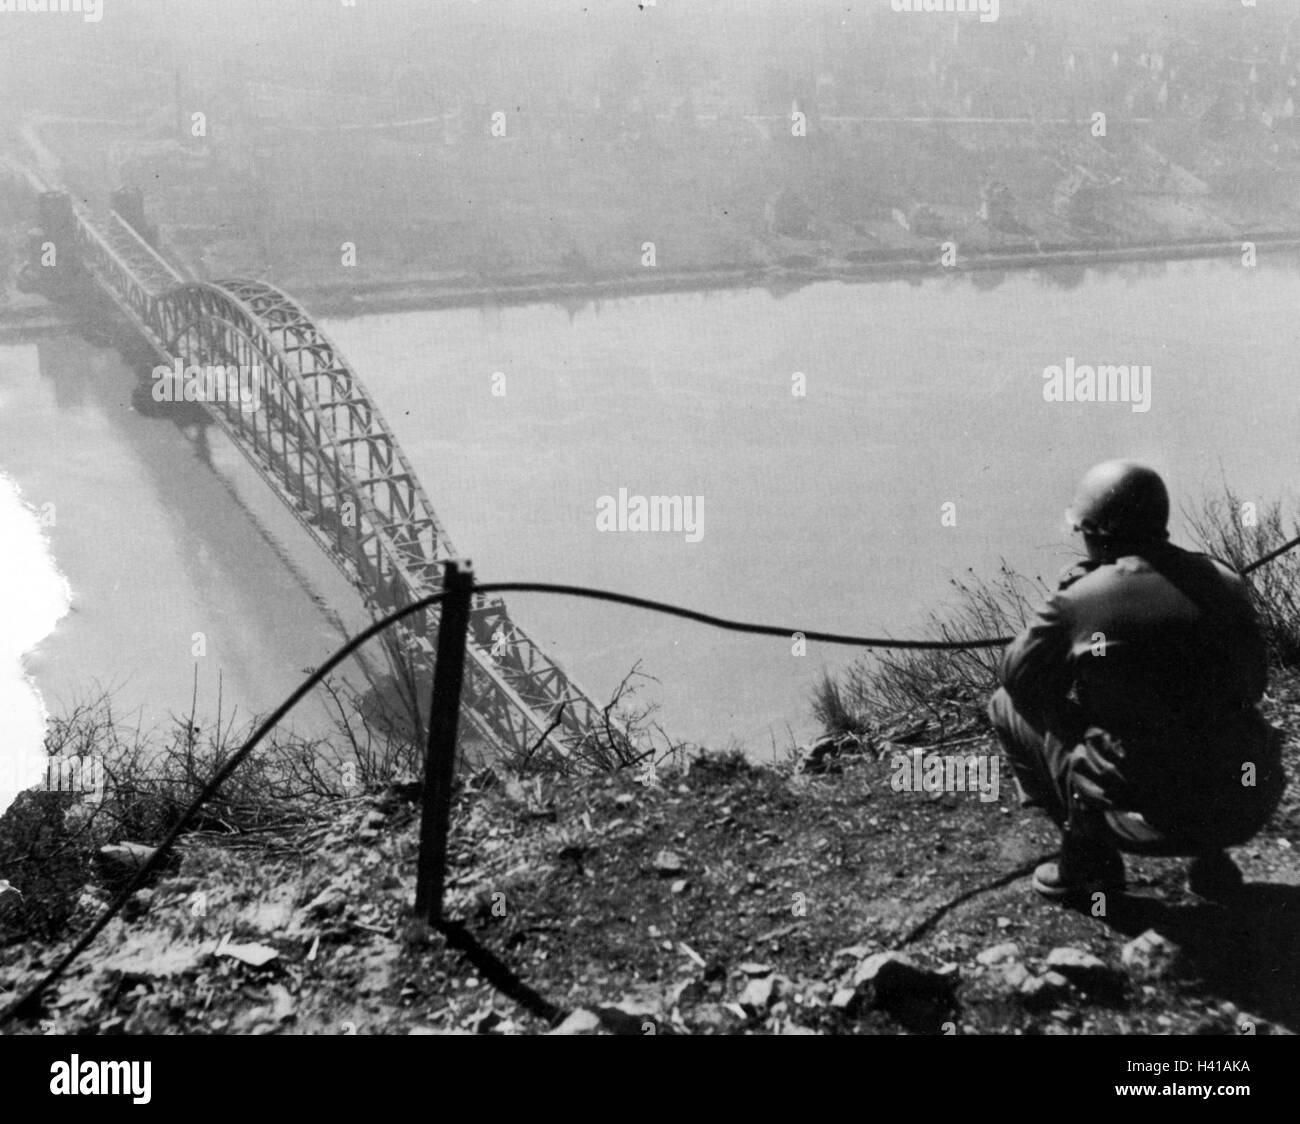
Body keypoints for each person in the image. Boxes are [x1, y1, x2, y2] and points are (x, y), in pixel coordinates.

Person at [988, 460, 1286, 901]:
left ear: (1097, 534)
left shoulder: (1080, 598)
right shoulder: (1224, 580)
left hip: (1140, 823)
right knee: (1215, 719)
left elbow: (1018, 677)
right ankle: (1212, 860)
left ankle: (1085, 857)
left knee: (1004, 705)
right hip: (1244, 808)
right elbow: (1253, 684)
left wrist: (1066, 612)